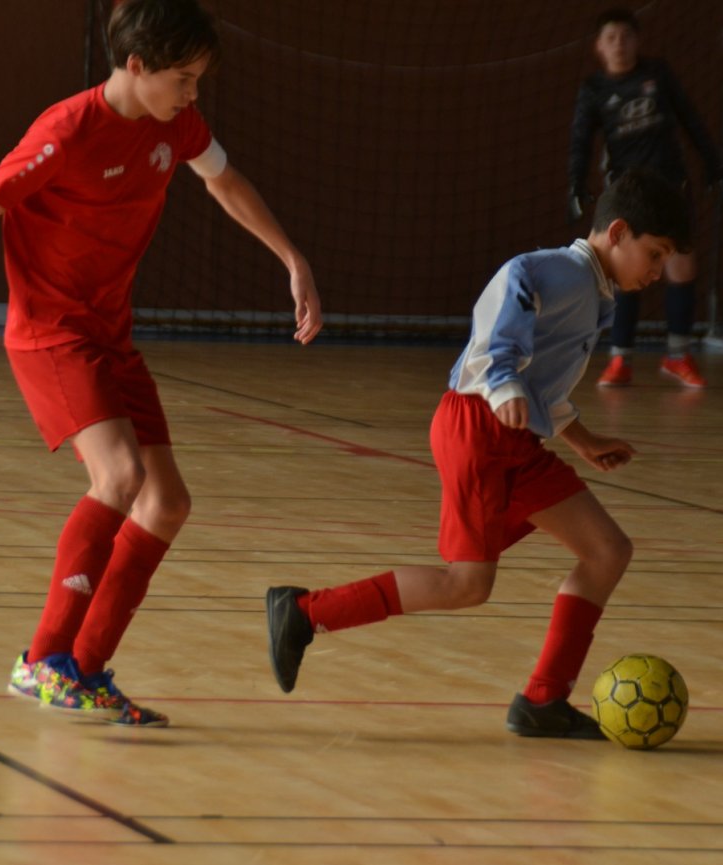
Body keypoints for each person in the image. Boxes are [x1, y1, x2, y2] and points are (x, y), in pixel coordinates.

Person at [0, 0, 321, 728]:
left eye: (198, 80)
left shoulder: (175, 126)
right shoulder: (65, 131)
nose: (193, 95)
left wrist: (293, 260)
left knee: (167, 502)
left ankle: (83, 668)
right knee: (119, 477)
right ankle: (42, 660)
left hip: (111, 336)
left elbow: (225, 181)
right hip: (51, 335)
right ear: (136, 66)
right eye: (183, 79)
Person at [266, 169, 688, 739]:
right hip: (478, 428)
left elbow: (547, 389)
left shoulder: (598, 297)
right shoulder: (557, 270)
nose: (658, 272)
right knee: (467, 584)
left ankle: (542, 701)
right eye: (655, 254)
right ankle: (306, 612)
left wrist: (584, 441)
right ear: (617, 232)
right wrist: (504, 384)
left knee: (607, 551)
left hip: (514, 439)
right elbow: (503, 307)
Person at [568, 7, 723, 389]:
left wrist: (714, 164)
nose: (619, 44)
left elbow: (690, 119)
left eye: (626, 36)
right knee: (626, 271)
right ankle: (620, 358)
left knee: (681, 266)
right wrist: (575, 181)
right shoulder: (594, 90)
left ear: (637, 42)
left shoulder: (657, 74)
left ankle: (677, 356)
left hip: (672, 183)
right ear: (599, 47)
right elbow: (580, 142)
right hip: (628, 190)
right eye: (611, 38)